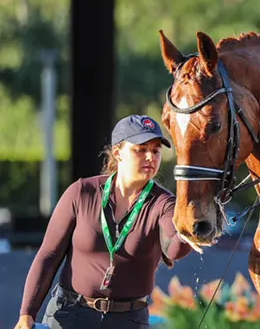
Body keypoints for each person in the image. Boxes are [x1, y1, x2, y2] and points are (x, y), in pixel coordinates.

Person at [15, 115, 194, 329]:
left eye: (156, 151)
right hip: (69, 313)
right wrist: (27, 314)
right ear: (118, 153)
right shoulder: (82, 192)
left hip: (129, 320)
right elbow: (49, 255)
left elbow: (174, 250)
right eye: (140, 149)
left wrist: (189, 231)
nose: (150, 157)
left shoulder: (164, 203)